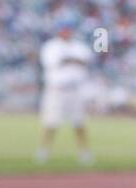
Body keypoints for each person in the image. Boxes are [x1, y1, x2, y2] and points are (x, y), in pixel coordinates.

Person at [36, 18, 95, 165]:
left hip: (76, 89)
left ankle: (84, 152)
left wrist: (70, 60)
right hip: (57, 89)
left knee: (79, 123)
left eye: (68, 29)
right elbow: (54, 63)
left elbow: (86, 61)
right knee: (51, 122)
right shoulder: (51, 46)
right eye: (64, 29)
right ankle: (44, 150)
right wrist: (73, 60)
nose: (67, 32)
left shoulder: (79, 46)